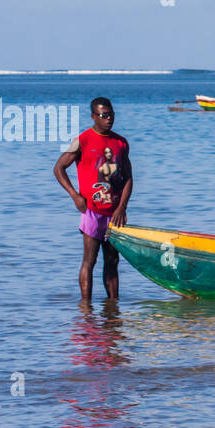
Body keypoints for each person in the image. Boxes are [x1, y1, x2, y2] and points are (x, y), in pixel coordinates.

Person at [54, 97, 132, 300]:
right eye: (104, 115)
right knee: (90, 260)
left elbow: (128, 178)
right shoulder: (82, 140)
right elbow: (59, 168)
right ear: (93, 116)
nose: (109, 119)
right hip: (92, 211)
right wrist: (75, 196)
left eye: (111, 114)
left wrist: (122, 207)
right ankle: (86, 308)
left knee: (113, 260)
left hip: (114, 214)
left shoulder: (121, 142)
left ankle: (113, 307)